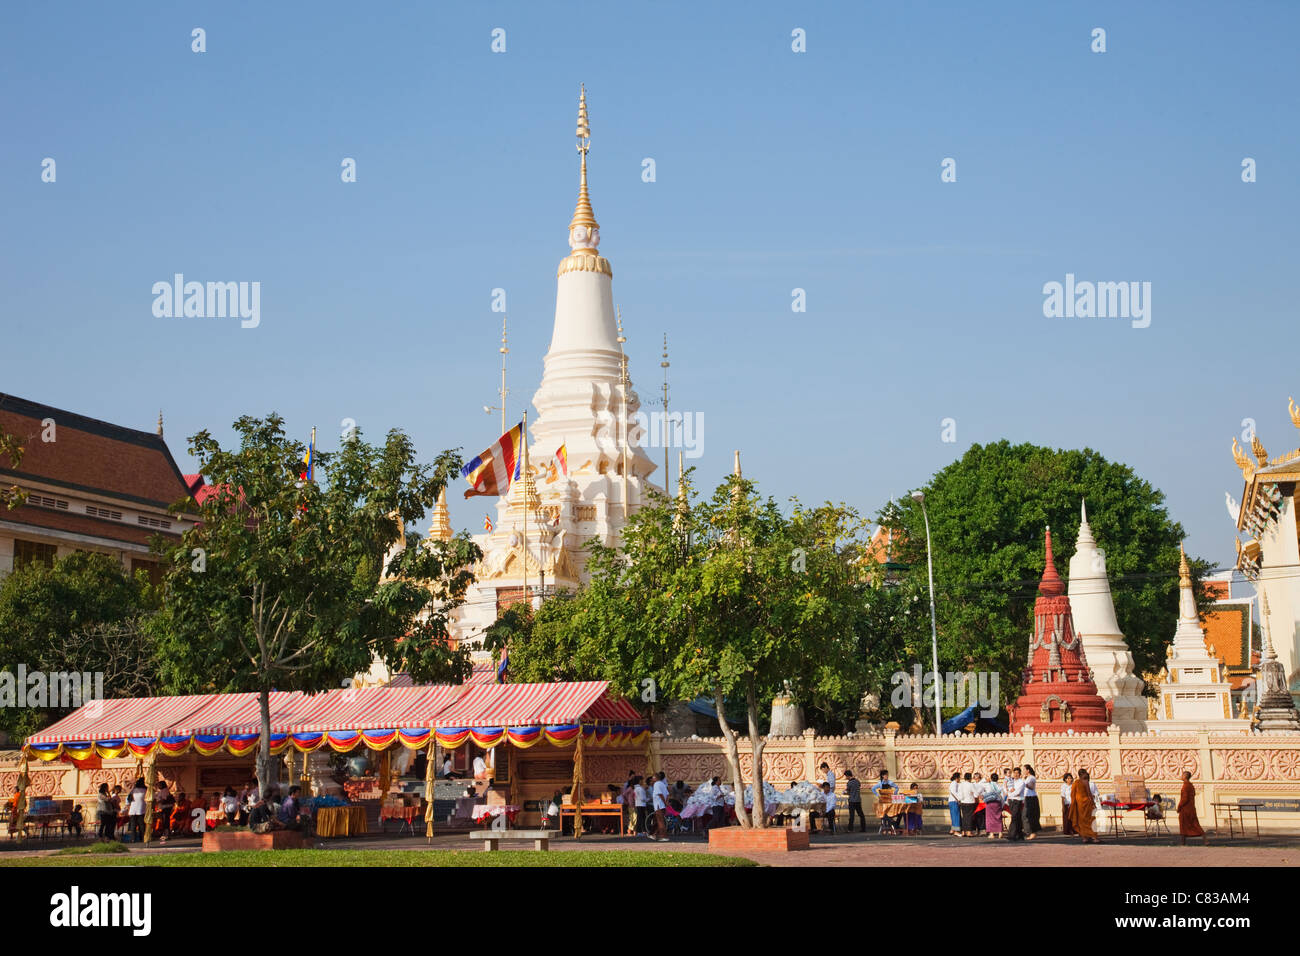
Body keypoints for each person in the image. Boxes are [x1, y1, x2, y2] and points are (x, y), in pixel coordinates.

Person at [1068, 769, 1099, 844]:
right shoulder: (1085, 782)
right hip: (1086, 803)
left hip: (1079, 804)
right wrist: (1093, 803)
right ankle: (1094, 838)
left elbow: (1072, 795)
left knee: (1082, 821)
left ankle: (1085, 838)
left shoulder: (1076, 783)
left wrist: (1073, 803)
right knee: (1090, 820)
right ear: (1082, 775)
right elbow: (1089, 793)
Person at [1177, 771, 1207, 846]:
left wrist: (1179, 806)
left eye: (1182, 775)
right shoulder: (1190, 785)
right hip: (1191, 808)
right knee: (1195, 824)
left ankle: (1183, 843)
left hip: (1185, 809)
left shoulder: (1185, 786)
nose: (1181, 776)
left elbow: (1185, 798)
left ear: (1185, 776)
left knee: (1184, 825)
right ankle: (1205, 839)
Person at [1005, 767, 1025, 841]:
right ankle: (1020, 835)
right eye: (1014, 773)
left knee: (1014, 817)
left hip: (1017, 801)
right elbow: (1006, 789)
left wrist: (1010, 794)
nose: (1016, 774)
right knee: (1017, 818)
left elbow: (1018, 792)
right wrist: (1010, 793)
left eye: (1017, 773)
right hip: (1011, 801)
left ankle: (1011, 835)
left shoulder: (1021, 782)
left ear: (1020, 774)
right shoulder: (1011, 781)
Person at [650, 771, 671, 841]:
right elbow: (668, 794)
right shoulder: (662, 784)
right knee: (657, 820)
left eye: (653, 778)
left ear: (656, 778)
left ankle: (664, 836)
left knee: (660, 821)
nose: (652, 779)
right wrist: (666, 802)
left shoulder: (656, 784)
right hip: (661, 805)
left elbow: (660, 794)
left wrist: (665, 802)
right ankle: (653, 834)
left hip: (659, 805)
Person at [983, 773, 1004, 839]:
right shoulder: (999, 786)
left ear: (991, 778)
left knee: (990, 818)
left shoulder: (988, 785)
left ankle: (991, 833)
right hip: (997, 803)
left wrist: (985, 779)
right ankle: (1000, 832)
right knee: (998, 817)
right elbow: (1002, 796)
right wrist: (1002, 805)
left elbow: (981, 786)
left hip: (990, 803)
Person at [1022, 765, 1040, 840]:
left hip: (1031, 798)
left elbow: (1031, 787)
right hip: (1027, 797)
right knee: (1025, 815)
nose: (1023, 771)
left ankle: (1033, 832)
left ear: (1028, 770)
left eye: (1024, 769)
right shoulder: (1027, 778)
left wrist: (1024, 784)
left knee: (1030, 815)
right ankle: (1029, 832)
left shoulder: (1031, 778)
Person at [956, 772, 977, 836]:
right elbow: (976, 794)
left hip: (963, 802)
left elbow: (959, 793)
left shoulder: (961, 784)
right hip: (970, 802)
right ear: (970, 778)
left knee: (964, 817)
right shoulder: (971, 785)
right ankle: (969, 832)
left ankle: (963, 831)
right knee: (969, 817)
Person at [127, 777, 147, 842]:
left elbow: (128, 800)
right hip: (141, 809)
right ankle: (143, 837)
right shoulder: (146, 790)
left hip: (133, 809)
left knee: (133, 825)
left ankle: (133, 838)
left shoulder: (133, 790)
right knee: (142, 825)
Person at [947, 771, 962, 836]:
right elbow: (953, 792)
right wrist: (958, 799)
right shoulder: (954, 783)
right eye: (959, 778)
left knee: (953, 816)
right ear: (957, 778)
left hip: (952, 801)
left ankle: (952, 830)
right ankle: (956, 831)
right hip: (954, 801)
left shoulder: (953, 783)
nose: (960, 779)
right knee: (956, 816)